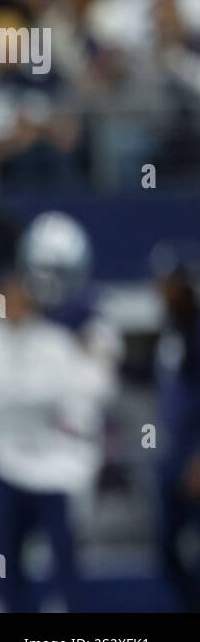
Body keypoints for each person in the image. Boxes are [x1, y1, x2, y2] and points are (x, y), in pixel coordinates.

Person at [0, 212, 120, 612]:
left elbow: (92, 392)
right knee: (0, 567)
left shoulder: (89, 326)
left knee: (64, 571)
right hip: (6, 462)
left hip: (61, 463)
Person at [150, 243, 200, 610]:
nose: (162, 290)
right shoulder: (171, 330)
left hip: (193, 449)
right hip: (172, 449)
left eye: (169, 282)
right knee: (166, 548)